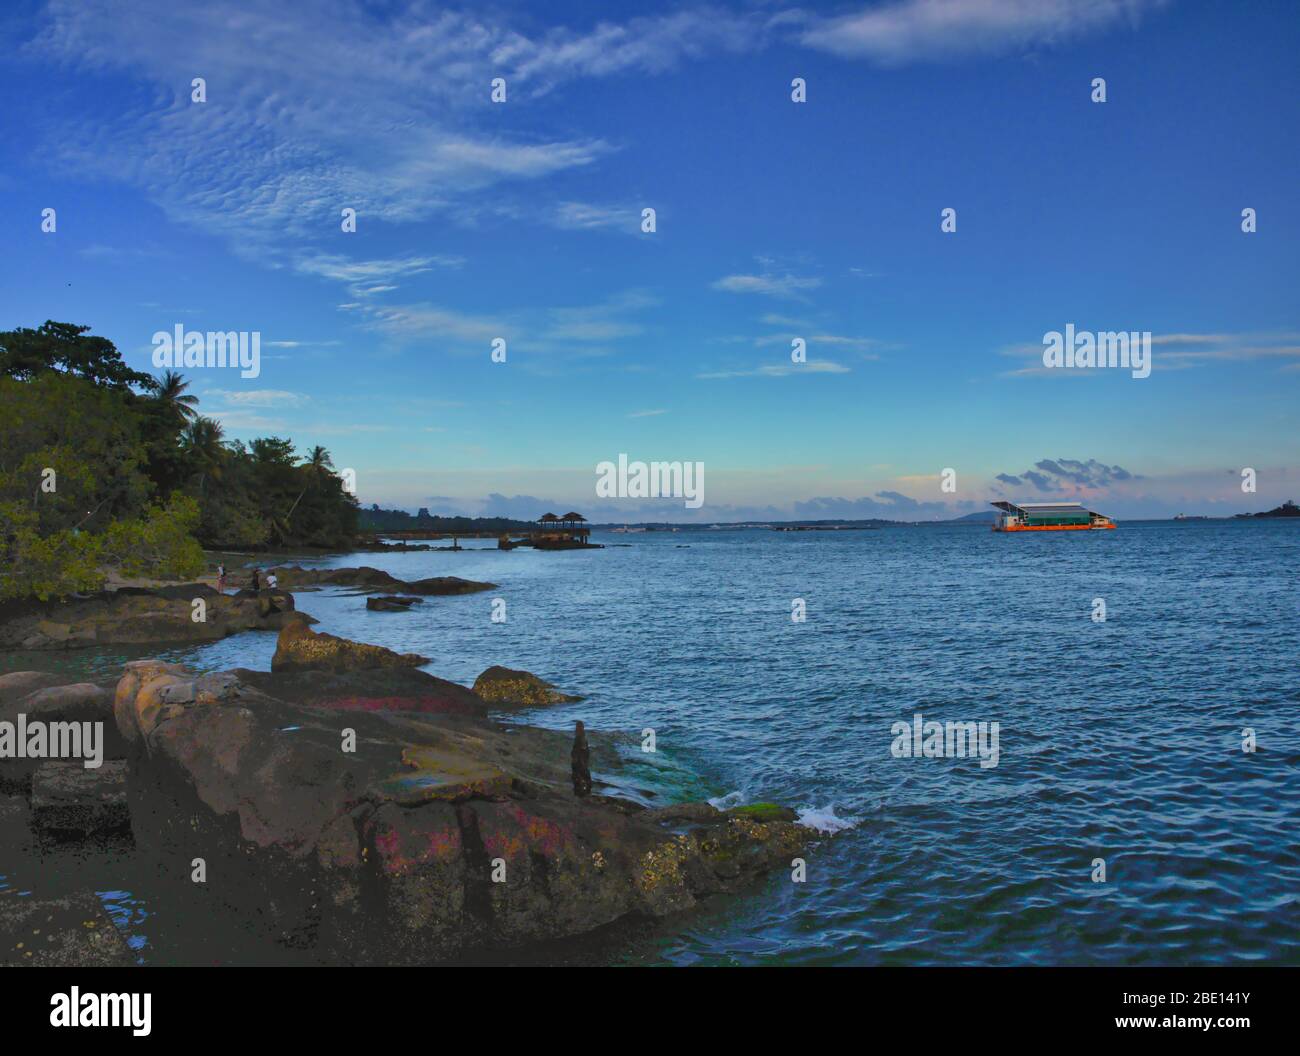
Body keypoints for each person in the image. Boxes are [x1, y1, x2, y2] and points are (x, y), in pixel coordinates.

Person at [571, 721, 592, 797]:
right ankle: (582, 793)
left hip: (580, 761)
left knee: (580, 777)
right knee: (580, 777)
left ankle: (582, 793)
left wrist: (580, 760)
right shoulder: (580, 737)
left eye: (578, 727)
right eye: (577, 727)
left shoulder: (581, 737)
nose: (576, 729)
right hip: (579, 761)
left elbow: (582, 750)